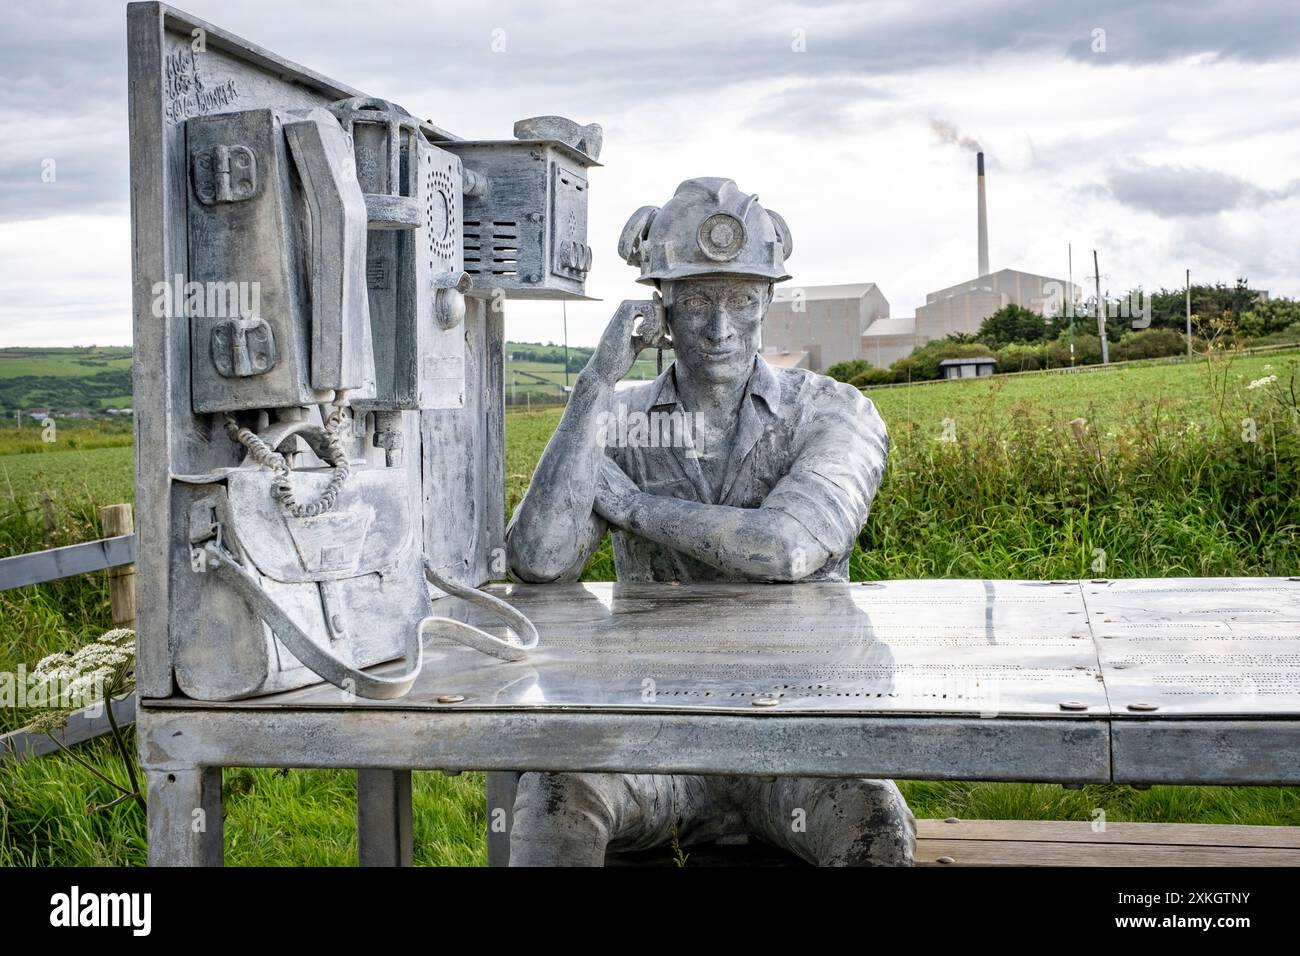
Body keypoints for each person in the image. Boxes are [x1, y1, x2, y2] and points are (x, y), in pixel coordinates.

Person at [504, 177, 916, 866]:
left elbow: (786, 548)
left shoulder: (834, 412)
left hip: (800, 737)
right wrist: (595, 385)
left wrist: (636, 508)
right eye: (696, 300)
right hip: (656, 737)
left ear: (768, 301)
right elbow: (540, 560)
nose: (720, 327)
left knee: (876, 828)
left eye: (740, 300)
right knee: (552, 799)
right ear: (660, 306)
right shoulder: (623, 417)